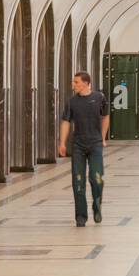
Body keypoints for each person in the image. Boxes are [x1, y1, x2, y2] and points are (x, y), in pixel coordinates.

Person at [59, 71, 108, 226]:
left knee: (97, 178)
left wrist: (103, 137)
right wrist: (62, 143)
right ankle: (81, 216)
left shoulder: (99, 98)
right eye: (73, 82)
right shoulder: (72, 102)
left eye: (76, 82)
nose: (73, 85)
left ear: (86, 83)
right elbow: (66, 121)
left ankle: (97, 205)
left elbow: (105, 116)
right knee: (78, 181)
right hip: (78, 145)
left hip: (95, 144)